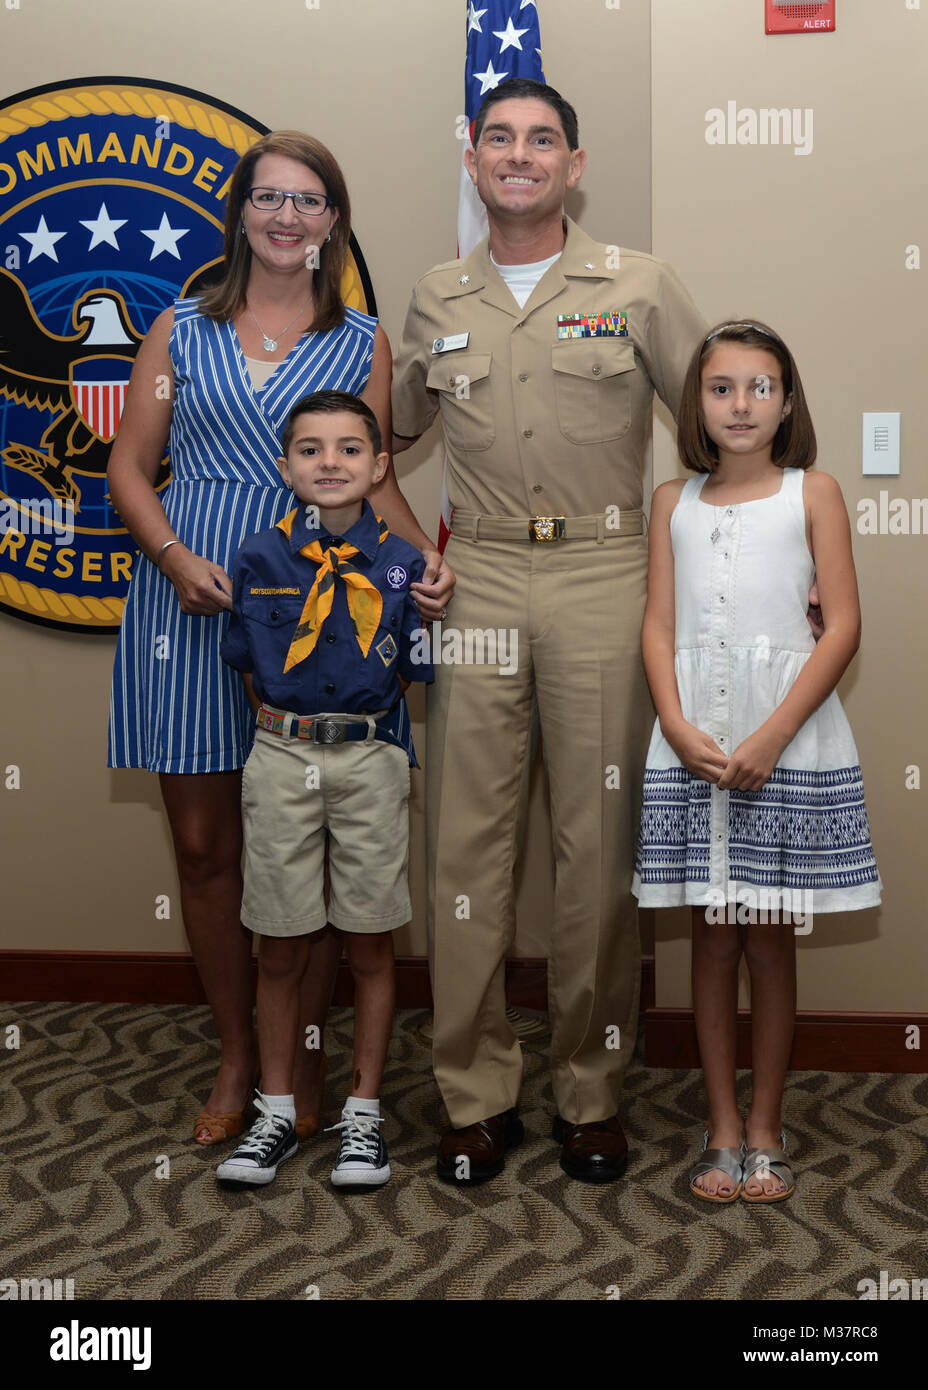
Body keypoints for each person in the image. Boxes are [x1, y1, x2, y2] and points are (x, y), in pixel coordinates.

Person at [392, 78, 708, 1183]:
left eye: (541, 140)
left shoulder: (639, 284)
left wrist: (777, 561)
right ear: (472, 160)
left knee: (594, 849)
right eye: (498, 139)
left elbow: (718, 426)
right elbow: (378, 437)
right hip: (476, 578)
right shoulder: (434, 300)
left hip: (603, 574)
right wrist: (410, 558)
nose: (518, 156)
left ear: (574, 164)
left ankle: (589, 1090)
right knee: (464, 848)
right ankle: (474, 1094)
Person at [107, 130, 451, 1147]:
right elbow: (131, 465)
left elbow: (374, 475)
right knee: (211, 849)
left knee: (325, 841)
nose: (287, 217)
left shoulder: (361, 343)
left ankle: (302, 1053)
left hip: (323, 624)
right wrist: (174, 557)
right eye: (269, 198)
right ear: (241, 211)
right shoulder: (180, 328)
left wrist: (418, 564)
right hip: (189, 597)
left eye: (309, 202)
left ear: (333, 224)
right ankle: (236, 1055)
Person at [632, 320, 881, 1203]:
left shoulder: (814, 492)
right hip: (692, 737)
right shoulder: (673, 500)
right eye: (721, 387)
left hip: (789, 740)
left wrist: (773, 735)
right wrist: (672, 718)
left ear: (787, 402)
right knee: (708, 939)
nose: (740, 404)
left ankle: (767, 1125)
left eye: (759, 387)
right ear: (696, 402)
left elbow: (842, 624)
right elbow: (658, 625)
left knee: (771, 942)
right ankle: (722, 1125)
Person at [214, 391, 432, 1186]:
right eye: (310, 450)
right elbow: (246, 663)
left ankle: (363, 1115)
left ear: (379, 467)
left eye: (348, 449)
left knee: (371, 941)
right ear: (286, 467)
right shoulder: (257, 558)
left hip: (370, 758)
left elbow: (417, 672)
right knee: (279, 943)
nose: (330, 463)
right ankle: (274, 1111)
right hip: (280, 756)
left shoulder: (407, 565)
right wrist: (283, 737)